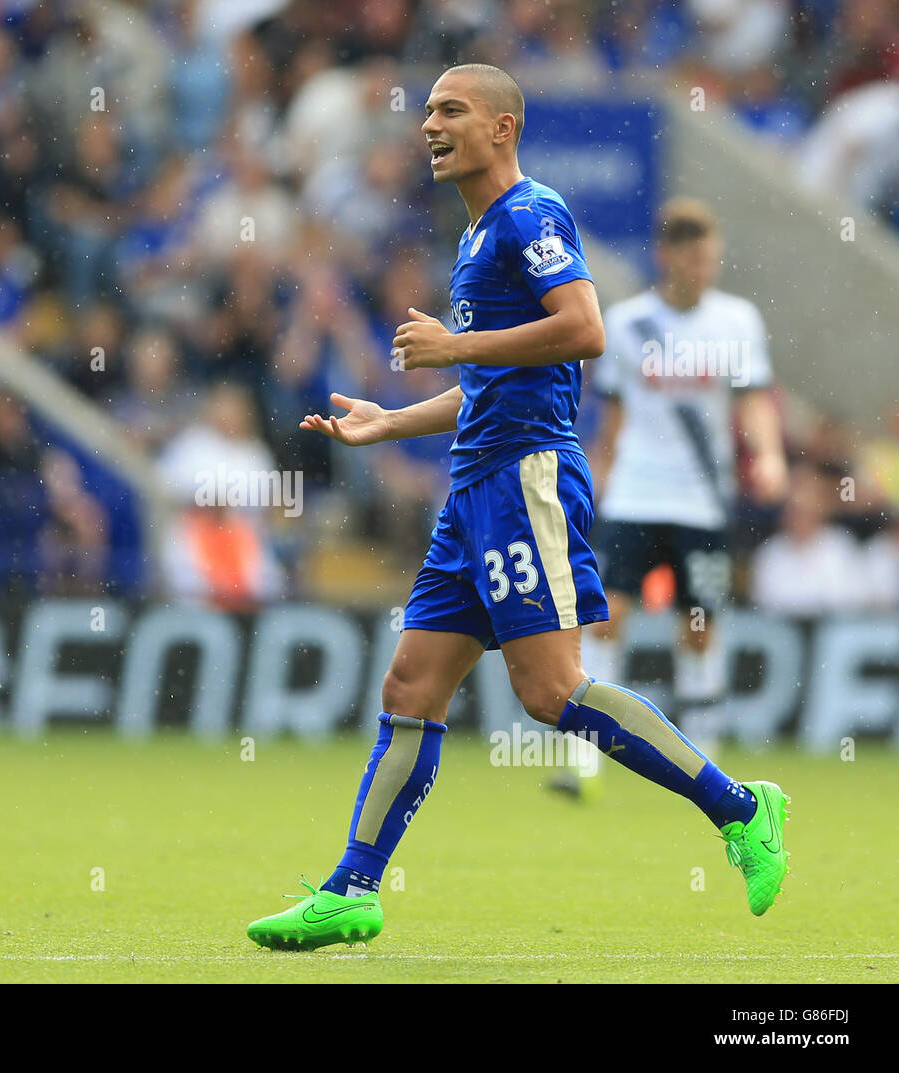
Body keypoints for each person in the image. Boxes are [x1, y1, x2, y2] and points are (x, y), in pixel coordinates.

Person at [246, 64, 790, 952]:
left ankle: (742, 808)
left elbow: (585, 329)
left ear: (503, 127)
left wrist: (454, 344)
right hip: (476, 488)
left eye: (451, 109)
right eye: (425, 109)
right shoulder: (472, 241)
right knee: (411, 684)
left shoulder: (529, 214)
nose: (430, 122)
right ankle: (352, 888)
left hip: (528, 478)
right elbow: (492, 380)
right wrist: (390, 423)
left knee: (551, 691)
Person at [578, 197, 787, 772]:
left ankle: (704, 756)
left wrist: (768, 455)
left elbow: (753, 400)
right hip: (636, 495)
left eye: (709, 258)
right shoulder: (627, 324)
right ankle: (586, 762)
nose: (703, 269)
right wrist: (598, 476)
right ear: (664, 256)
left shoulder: (736, 321)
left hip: (703, 500)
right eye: (692, 257)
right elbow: (613, 418)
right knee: (608, 614)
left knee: (698, 627)